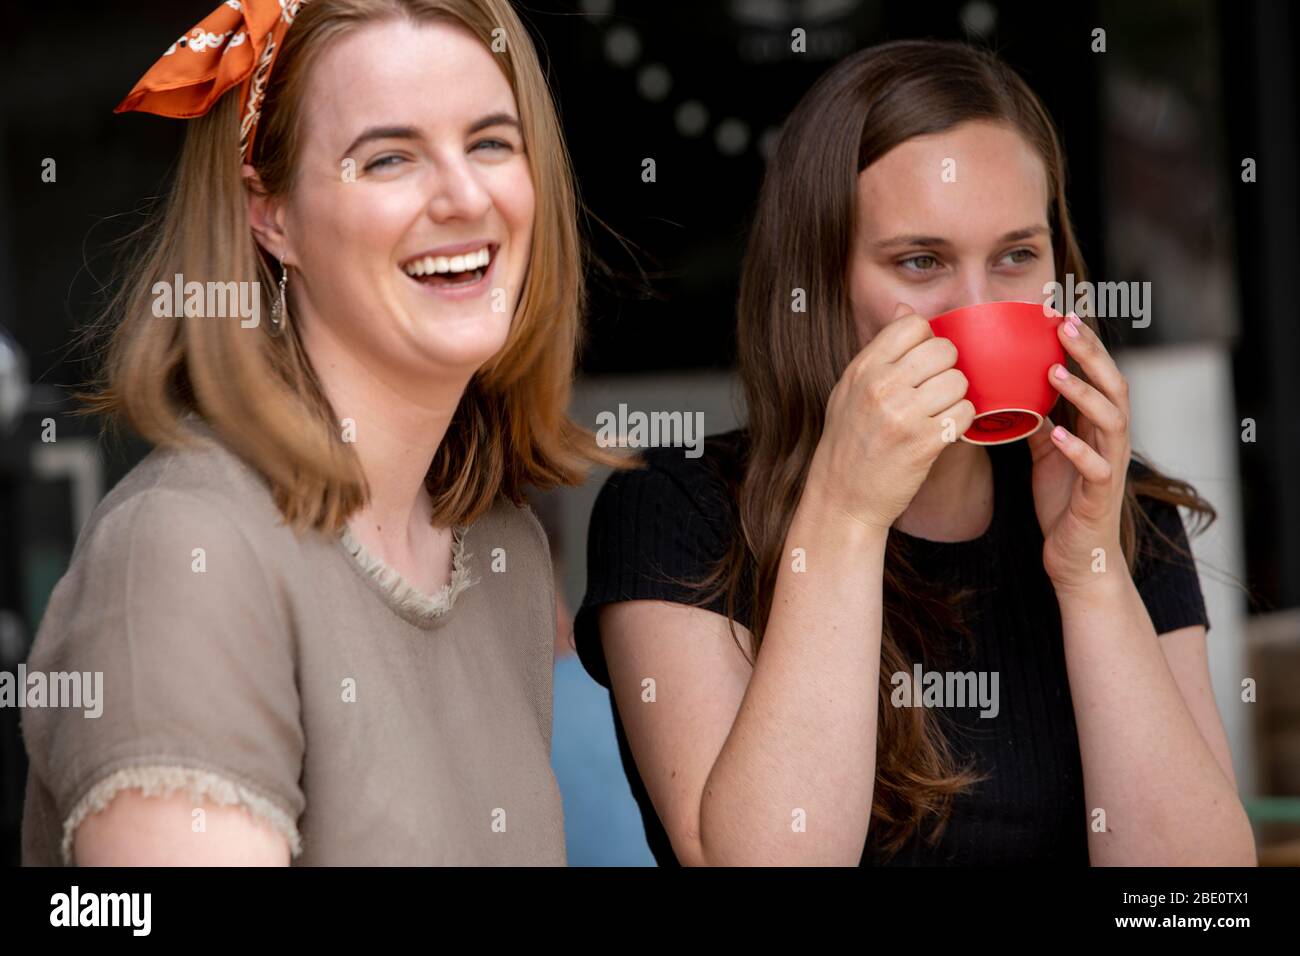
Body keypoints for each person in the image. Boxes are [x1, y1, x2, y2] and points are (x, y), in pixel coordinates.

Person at [574, 39, 1256, 866]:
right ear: (820, 284)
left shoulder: (1117, 507)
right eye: (922, 261)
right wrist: (847, 516)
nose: (978, 307)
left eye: (1016, 256)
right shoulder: (677, 511)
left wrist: (1091, 574)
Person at [22, 0, 622, 866]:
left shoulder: (504, 556)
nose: (464, 196)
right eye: (387, 158)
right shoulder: (186, 552)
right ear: (272, 217)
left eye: (491, 141)